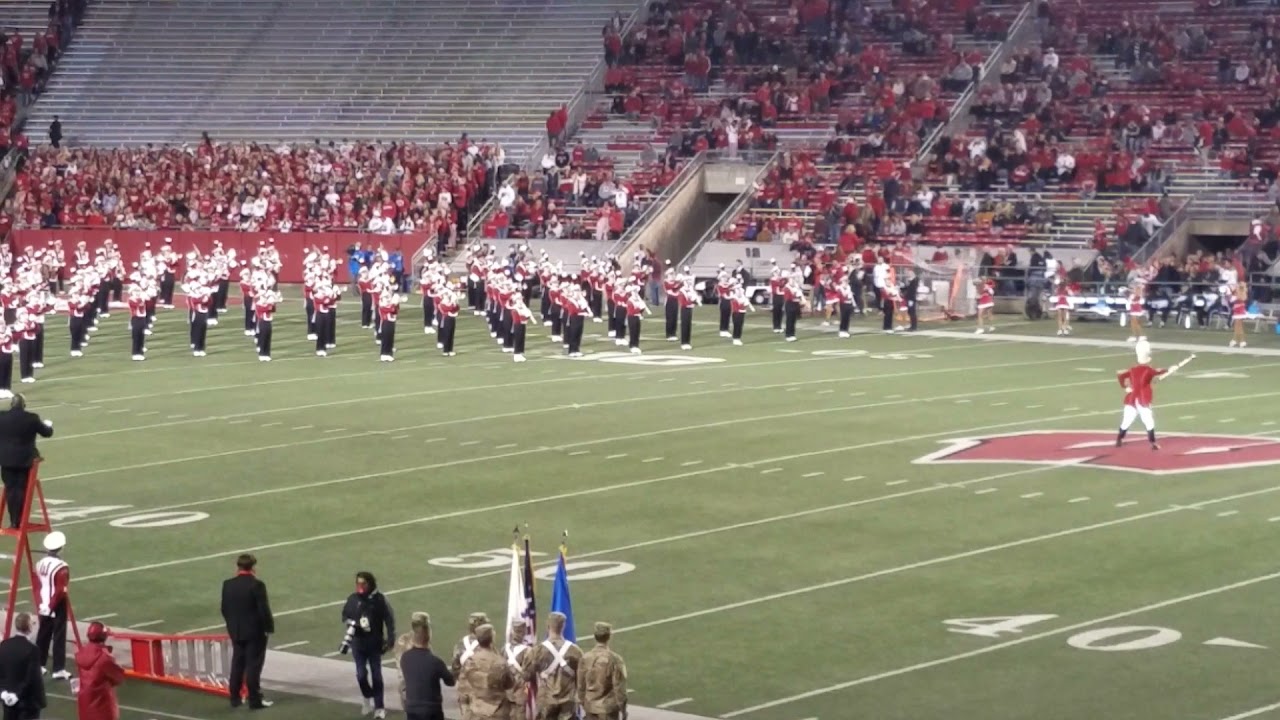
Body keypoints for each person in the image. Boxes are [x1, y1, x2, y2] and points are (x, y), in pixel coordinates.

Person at [220, 553, 274, 710]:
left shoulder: (228, 584)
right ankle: (255, 700)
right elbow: (263, 610)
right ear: (253, 567)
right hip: (254, 632)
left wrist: (231, 625)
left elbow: (224, 608)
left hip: (236, 630)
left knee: (237, 663)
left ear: (238, 566)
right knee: (253, 666)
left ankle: (235, 698)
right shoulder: (256, 585)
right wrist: (268, 628)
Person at [340, 571, 396, 719]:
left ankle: (379, 707)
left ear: (370, 584)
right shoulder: (353, 599)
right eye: (358, 583)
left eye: (363, 583)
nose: (360, 586)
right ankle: (367, 697)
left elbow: (389, 619)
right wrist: (353, 623)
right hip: (358, 644)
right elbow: (344, 616)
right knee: (361, 675)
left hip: (374, 643)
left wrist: (391, 639)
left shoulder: (379, 599)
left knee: (376, 675)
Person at [0, 394, 52, 529]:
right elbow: (47, 433)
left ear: (11, 404)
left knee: (11, 490)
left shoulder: (1, 416)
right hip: (25, 460)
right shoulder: (32, 418)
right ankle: (21, 519)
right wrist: (48, 425)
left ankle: (13, 521)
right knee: (22, 489)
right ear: (24, 405)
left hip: (5, 460)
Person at [398, 612, 455, 720]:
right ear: (428, 636)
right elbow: (451, 681)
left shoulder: (405, 658)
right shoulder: (435, 662)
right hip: (432, 711)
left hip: (411, 709)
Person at [526, 611, 581, 720]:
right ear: (563, 626)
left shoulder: (537, 651)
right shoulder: (575, 651)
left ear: (548, 626)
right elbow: (582, 677)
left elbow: (526, 675)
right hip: (568, 702)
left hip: (546, 701)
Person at [1116, 339, 1166, 450]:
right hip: (1142, 400)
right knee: (1149, 421)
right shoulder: (1149, 370)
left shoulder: (1133, 369)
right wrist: (1168, 370)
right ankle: (1153, 443)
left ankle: (1119, 439)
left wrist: (1125, 387)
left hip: (1132, 398)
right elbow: (1158, 372)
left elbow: (1120, 375)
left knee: (1126, 421)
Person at [32, 532, 69, 679]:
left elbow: (36, 585)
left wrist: (41, 603)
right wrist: (52, 605)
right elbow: (60, 590)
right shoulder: (62, 566)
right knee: (59, 635)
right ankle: (58, 668)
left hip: (43, 601)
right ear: (61, 547)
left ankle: (39, 664)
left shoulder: (40, 563)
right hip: (57, 603)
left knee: (43, 633)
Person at [459, 624, 515, 720]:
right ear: (492, 639)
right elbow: (510, 683)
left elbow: (464, 684)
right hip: (497, 711)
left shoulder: (470, 661)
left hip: (476, 710)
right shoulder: (500, 662)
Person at [74, 621, 124, 720]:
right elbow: (119, 678)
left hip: (85, 704)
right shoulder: (104, 658)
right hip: (102, 706)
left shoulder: (80, 654)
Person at [577, 623, 627, 720]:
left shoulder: (585, 658)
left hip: (590, 707)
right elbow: (619, 688)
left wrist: (584, 704)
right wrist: (623, 709)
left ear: (594, 636)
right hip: (608, 709)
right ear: (609, 637)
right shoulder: (615, 659)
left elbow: (580, 686)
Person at [0, 612, 45, 720]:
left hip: (8, 701)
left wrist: (3, 692)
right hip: (27, 704)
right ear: (29, 627)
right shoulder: (32, 649)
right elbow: (32, 678)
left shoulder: (4, 645)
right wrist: (17, 695)